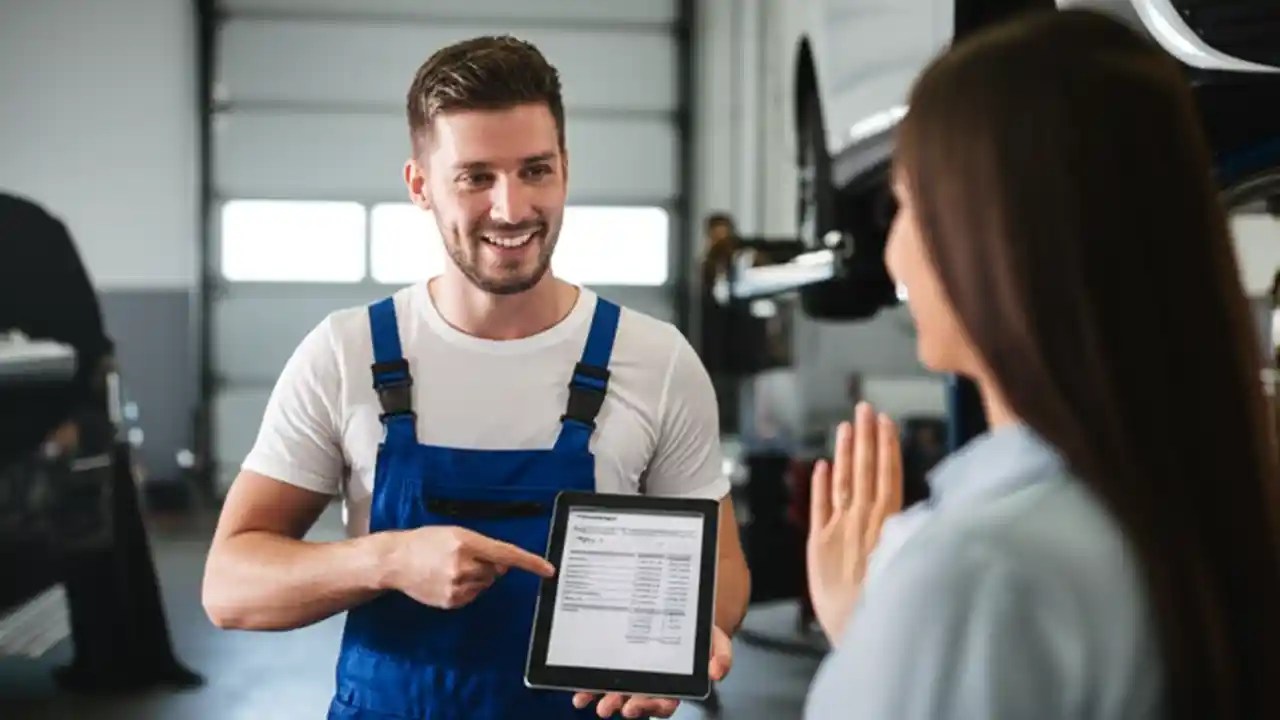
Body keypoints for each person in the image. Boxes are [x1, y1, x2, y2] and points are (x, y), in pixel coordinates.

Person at [201, 35, 750, 720]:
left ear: (567, 170)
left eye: (535, 171)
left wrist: (697, 638)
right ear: (420, 186)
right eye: (476, 177)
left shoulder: (656, 360)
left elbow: (720, 566)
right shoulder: (346, 354)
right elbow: (230, 585)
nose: (512, 208)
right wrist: (388, 561)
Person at [803, 9, 1280, 720]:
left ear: (984, 233)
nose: (893, 250)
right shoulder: (1212, 517)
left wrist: (882, 639)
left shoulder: (977, 575)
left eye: (900, 207)